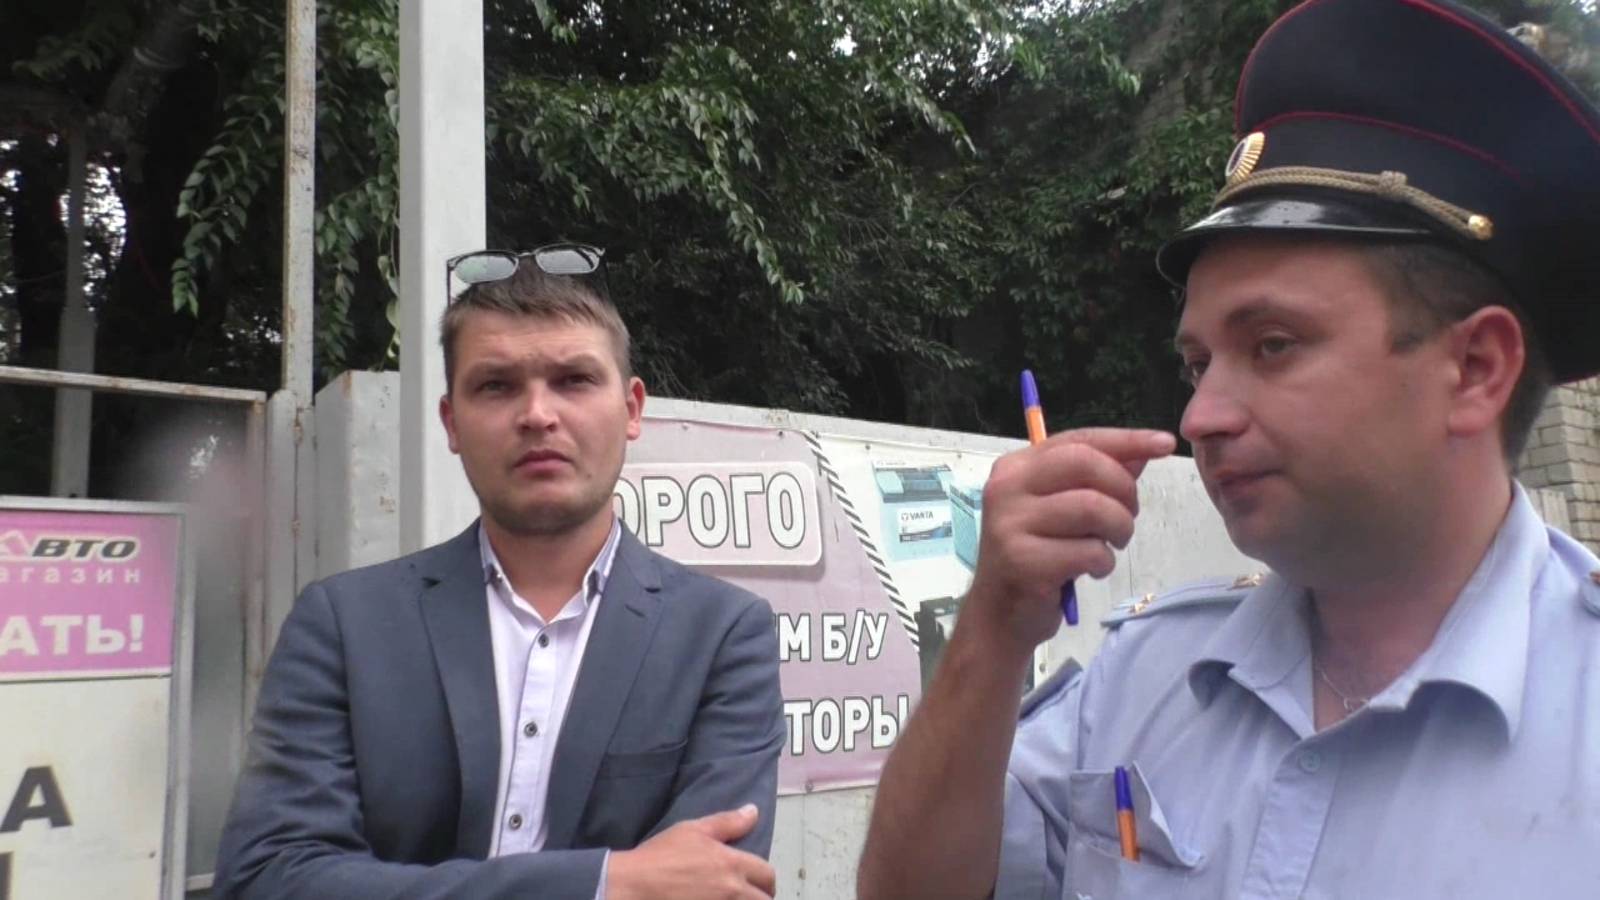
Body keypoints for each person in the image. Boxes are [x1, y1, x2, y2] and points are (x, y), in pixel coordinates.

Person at [858, 0, 1600, 897]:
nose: (1200, 417)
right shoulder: (1146, 676)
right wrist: (991, 631)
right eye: (1198, 363)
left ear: (1475, 370)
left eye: (1272, 346)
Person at [214, 244, 786, 900]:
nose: (537, 414)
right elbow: (267, 879)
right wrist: (606, 881)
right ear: (452, 422)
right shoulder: (344, 627)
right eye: (496, 385)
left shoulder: (722, 636)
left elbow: (713, 886)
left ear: (631, 409)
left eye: (574, 380)